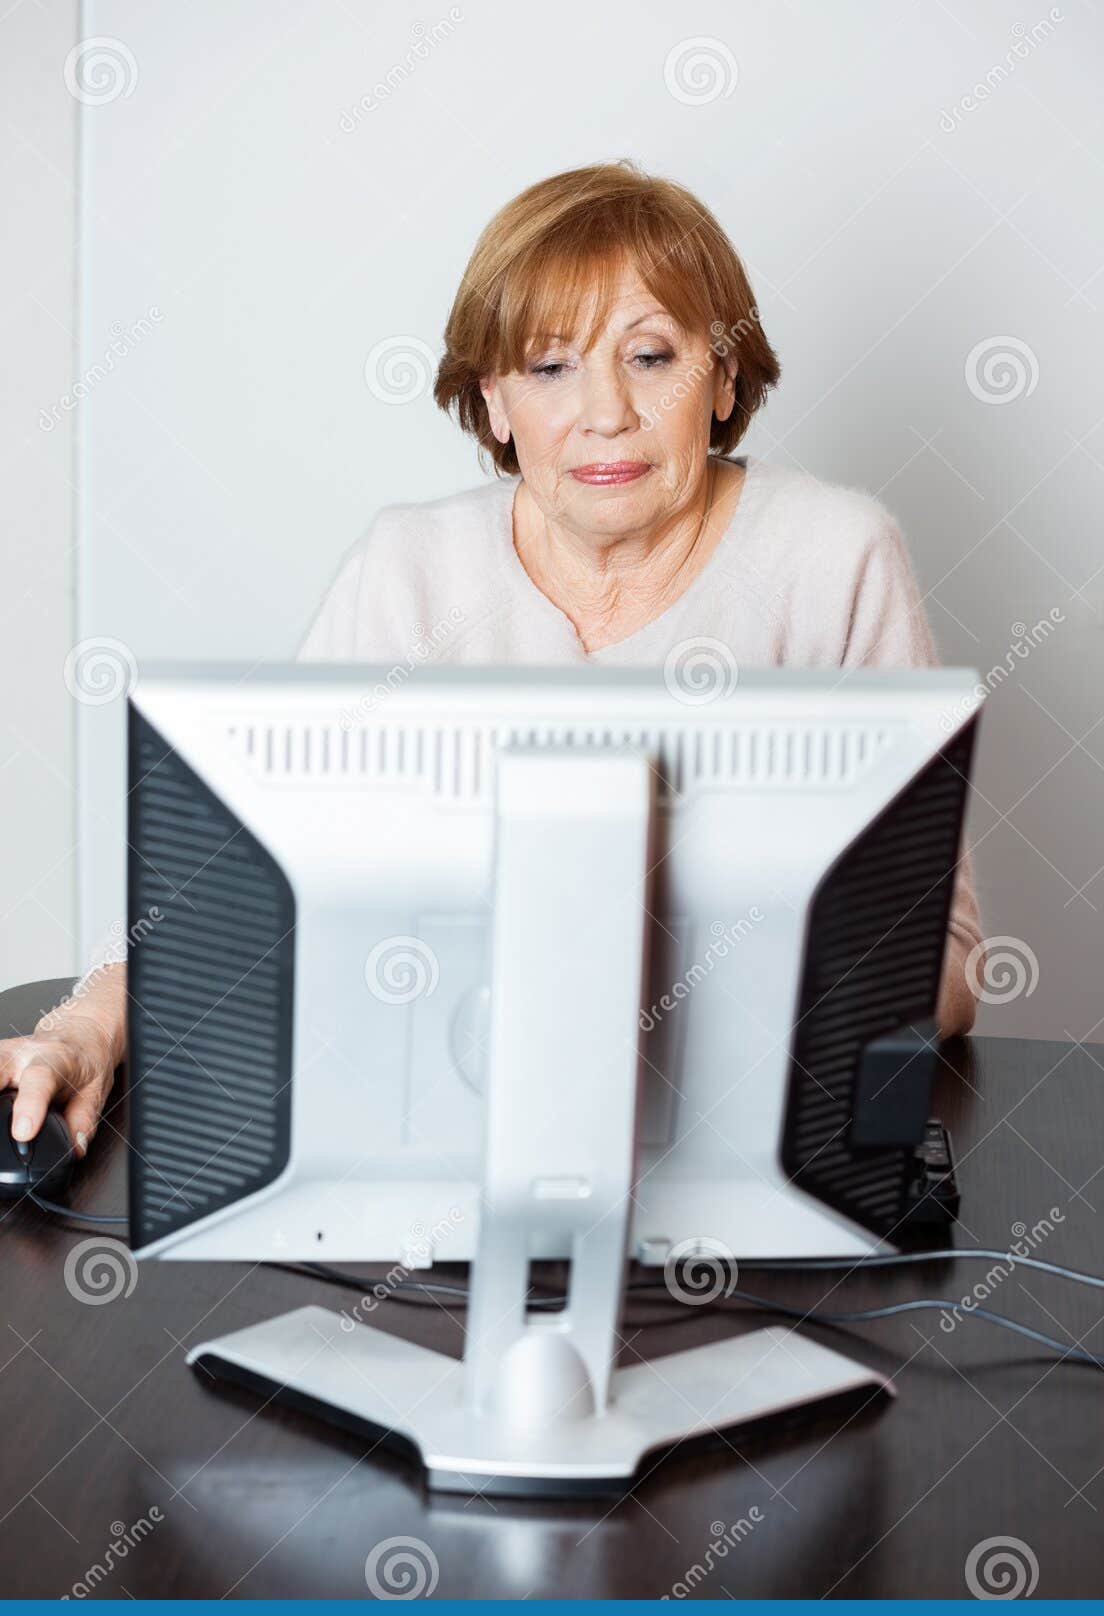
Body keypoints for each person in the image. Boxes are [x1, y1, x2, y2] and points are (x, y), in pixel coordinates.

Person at [0, 160, 984, 1158]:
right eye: (551, 367)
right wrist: (86, 1026)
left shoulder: (834, 554)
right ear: (496, 401)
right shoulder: (409, 566)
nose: (605, 412)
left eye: (650, 356)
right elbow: (232, 881)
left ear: (724, 375)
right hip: (439, 1133)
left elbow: (942, 955)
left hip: (735, 1145)